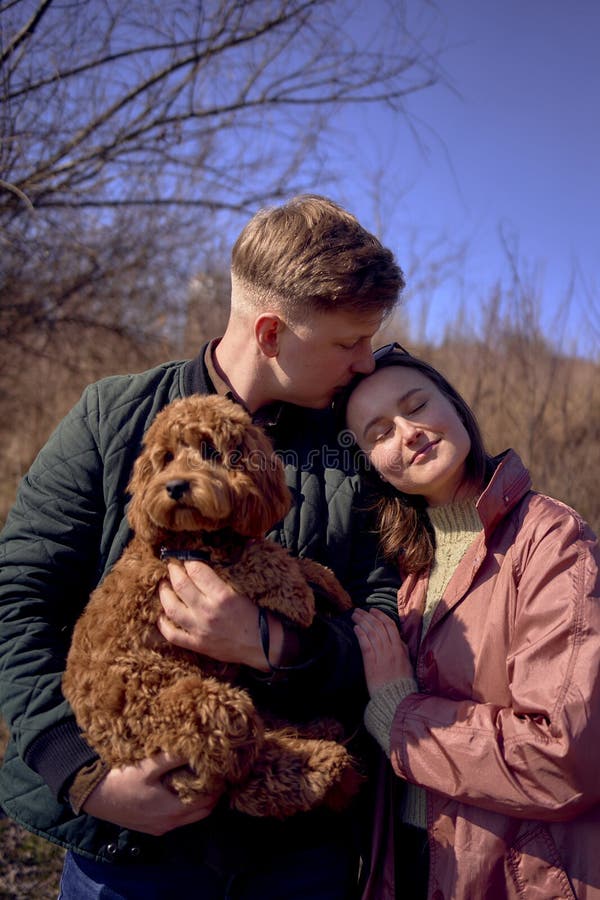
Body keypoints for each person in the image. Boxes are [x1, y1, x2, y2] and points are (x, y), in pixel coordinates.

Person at [0, 196, 406, 900]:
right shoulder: (112, 416)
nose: (367, 364)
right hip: (125, 850)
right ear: (272, 332)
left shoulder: (361, 447)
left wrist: (278, 646)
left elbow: (386, 616)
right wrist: (81, 771)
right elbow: (18, 597)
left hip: (299, 853)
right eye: (348, 343)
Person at [338, 343, 600, 899]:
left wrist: (399, 716)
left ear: (455, 405)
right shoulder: (393, 567)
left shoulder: (552, 542)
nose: (407, 433)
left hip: (516, 876)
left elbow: (564, 756)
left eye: (416, 405)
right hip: (405, 864)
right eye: (378, 432)